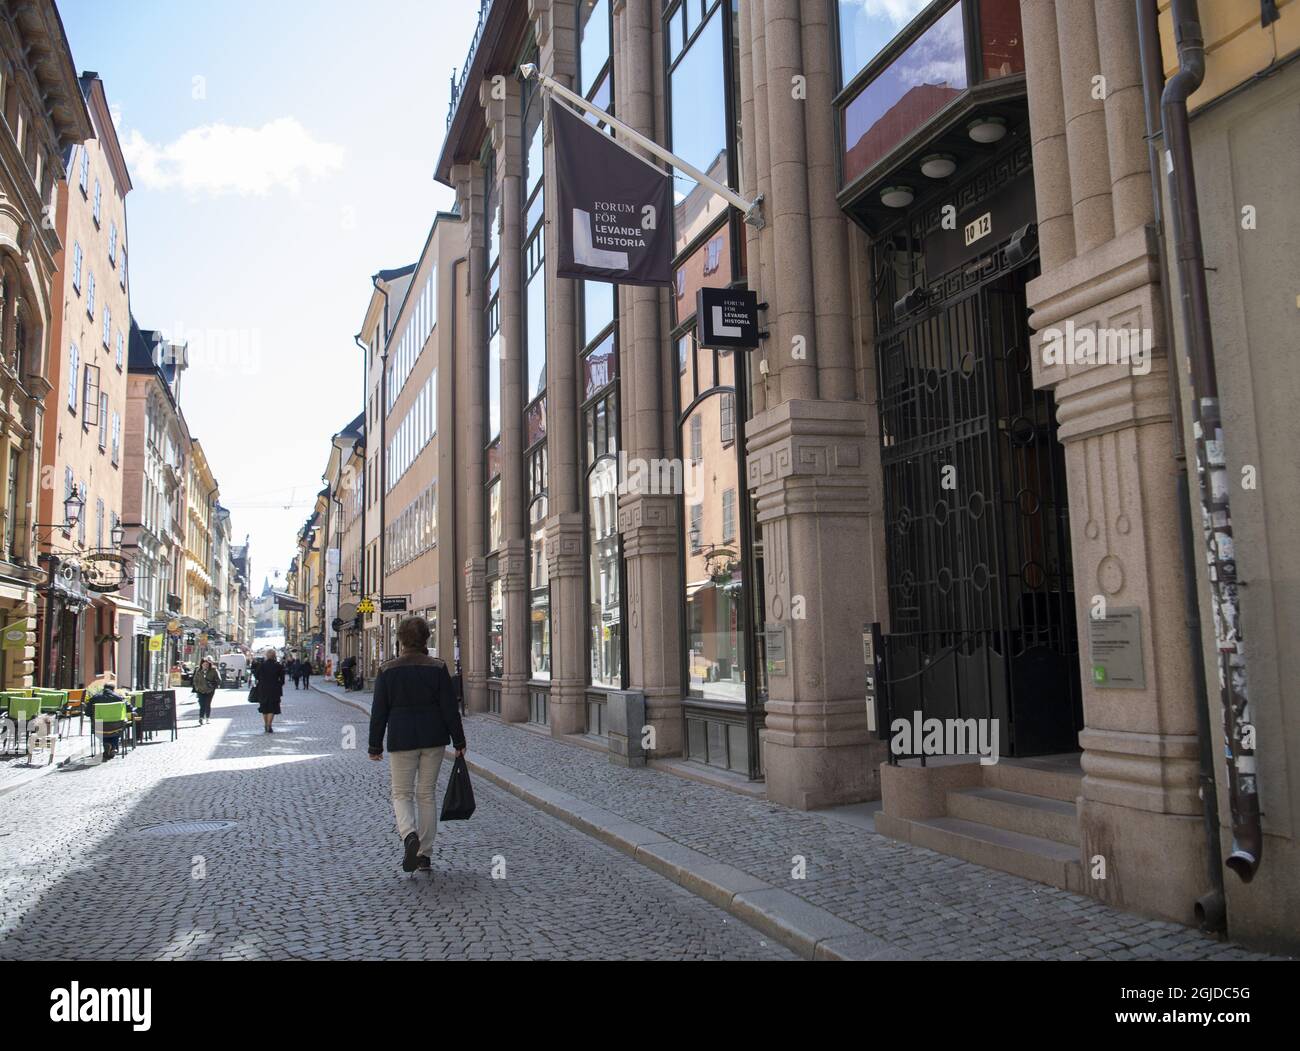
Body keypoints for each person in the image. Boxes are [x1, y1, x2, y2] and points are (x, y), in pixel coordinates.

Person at [368, 617, 466, 873]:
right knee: (426, 794)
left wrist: (374, 746)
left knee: (402, 793)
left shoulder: (388, 670)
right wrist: (459, 740)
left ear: (400, 640)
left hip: (402, 739)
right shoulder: (437, 667)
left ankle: (409, 834)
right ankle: (424, 854)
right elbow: (449, 709)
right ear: (426, 638)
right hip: (433, 738)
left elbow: (379, 712)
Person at [252, 648, 285, 733]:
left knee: (264, 707)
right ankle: (269, 725)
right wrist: (278, 685)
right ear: (274, 656)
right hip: (274, 690)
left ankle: (266, 724)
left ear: (266, 656)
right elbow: (282, 680)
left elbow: (256, 676)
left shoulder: (261, 665)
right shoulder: (278, 666)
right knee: (272, 708)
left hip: (263, 689)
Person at [193, 656, 220, 724]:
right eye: (204, 664)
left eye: (207, 664)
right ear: (201, 664)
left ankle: (207, 718)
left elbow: (219, 680)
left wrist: (213, 686)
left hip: (209, 690)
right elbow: (195, 680)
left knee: (207, 704)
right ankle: (201, 718)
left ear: (209, 664)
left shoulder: (213, 670)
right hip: (200, 690)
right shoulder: (198, 670)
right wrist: (197, 687)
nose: (205, 666)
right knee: (202, 704)